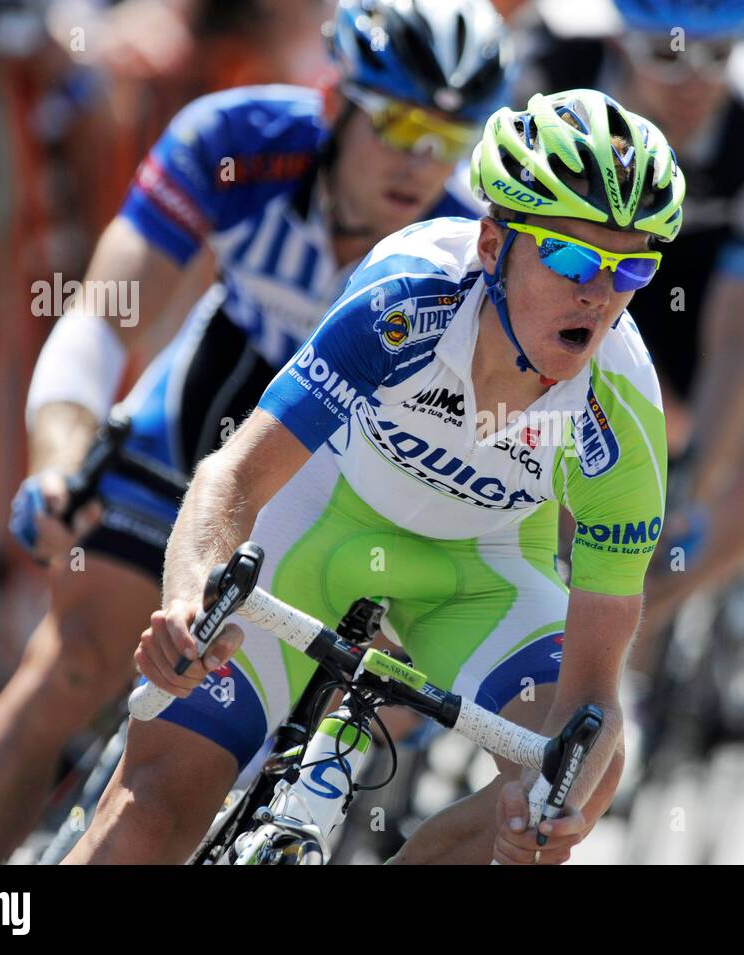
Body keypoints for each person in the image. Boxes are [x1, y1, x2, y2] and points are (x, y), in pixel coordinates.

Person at [0, 0, 511, 865]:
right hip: (199, 428)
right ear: (338, 97)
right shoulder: (241, 140)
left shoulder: (473, 242)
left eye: (450, 136)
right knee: (78, 661)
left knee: (328, 738)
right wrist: (56, 467)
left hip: (350, 480)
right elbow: (103, 317)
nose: (421, 160)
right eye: (399, 123)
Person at [62, 86, 684, 865]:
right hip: (320, 524)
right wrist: (190, 597)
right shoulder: (407, 301)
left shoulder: (622, 416)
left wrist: (554, 800)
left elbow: (592, 700)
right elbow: (234, 479)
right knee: (153, 811)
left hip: (479, 572)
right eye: (569, 256)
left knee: (571, 777)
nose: (599, 294)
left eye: (632, 270)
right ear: (493, 245)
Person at [518, 0, 744, 665]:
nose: (695, 83)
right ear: (617, 41)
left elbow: (742, 334)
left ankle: (630, 631)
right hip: (571, 295)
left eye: (721, 56)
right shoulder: (554, 65)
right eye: (666, 55)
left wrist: (692, 492)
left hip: (703, 316)